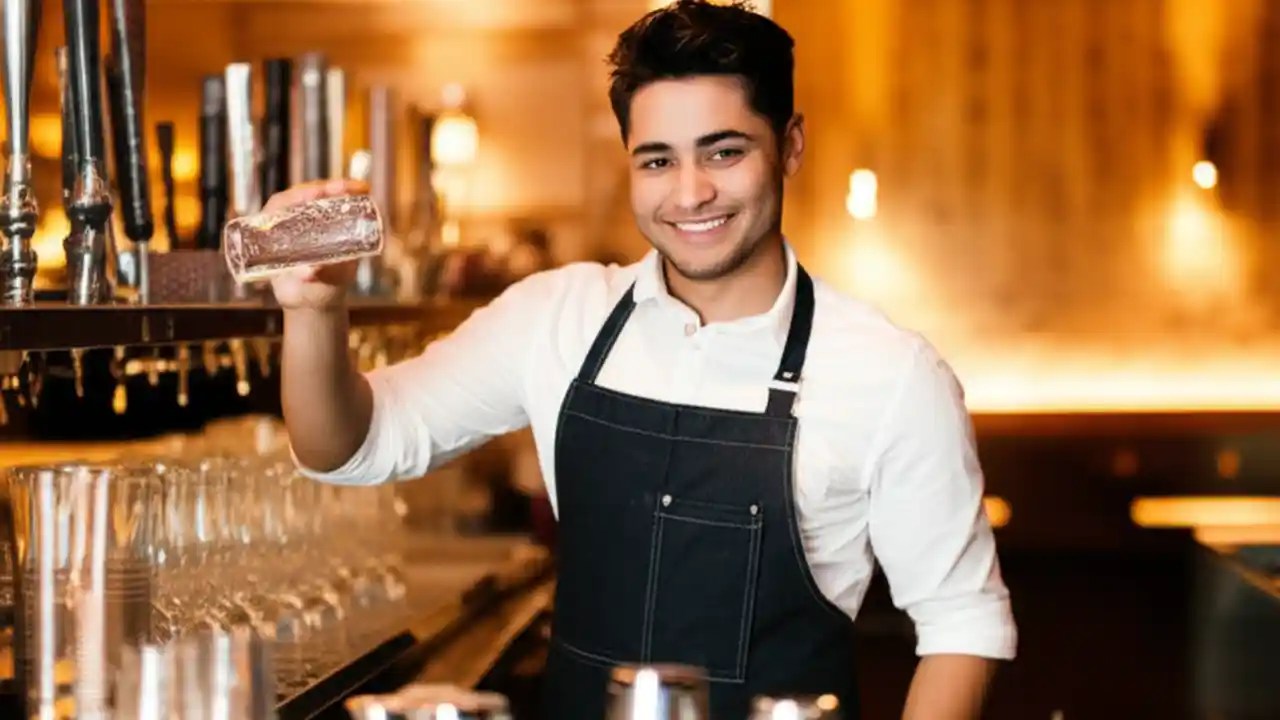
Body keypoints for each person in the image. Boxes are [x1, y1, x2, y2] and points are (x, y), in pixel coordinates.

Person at [270, 1, 1016, 717]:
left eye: (724, 152)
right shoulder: (557, 318)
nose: (691, 194)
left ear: (789, 144)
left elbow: (962, 626)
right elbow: (349, 444)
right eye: (657, 161)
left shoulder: (889, 374)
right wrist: (313, 309)